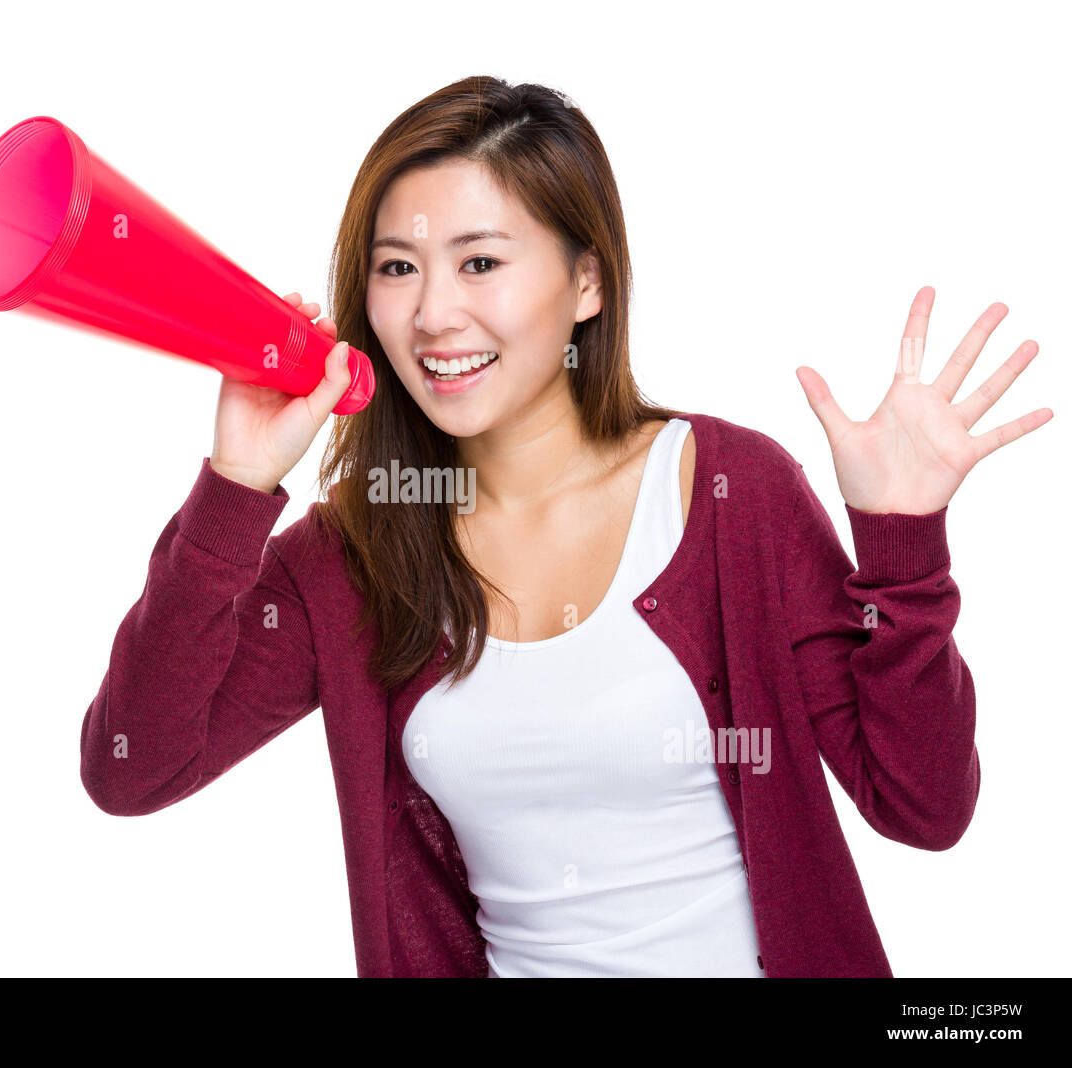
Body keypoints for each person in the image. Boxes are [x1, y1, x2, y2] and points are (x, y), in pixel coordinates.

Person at [79, 75, 1051, 977]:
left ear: (587, 283)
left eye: (481, 262)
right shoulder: (350, 559)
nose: (431, 314)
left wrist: (902, 545)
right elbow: (133, 766)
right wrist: (235, 487)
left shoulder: (732, 492)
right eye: (396, 267)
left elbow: (923, 806)